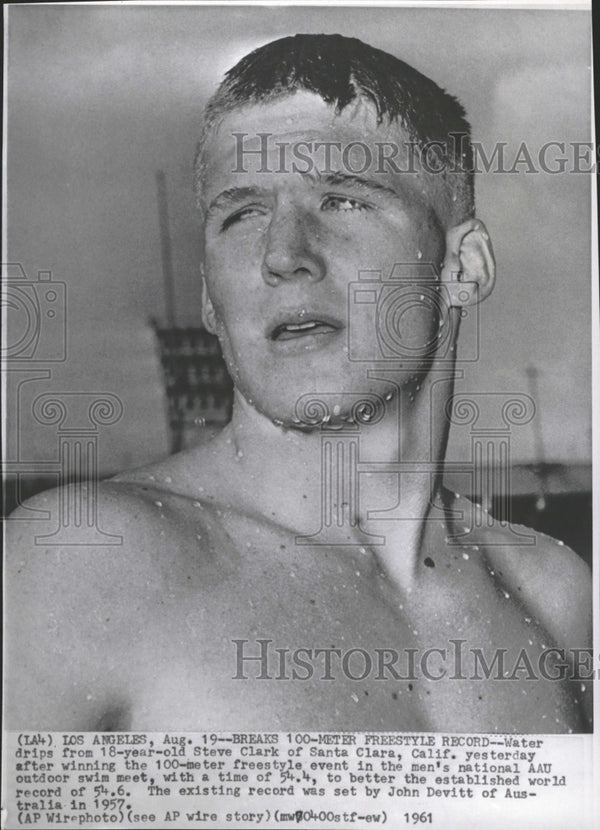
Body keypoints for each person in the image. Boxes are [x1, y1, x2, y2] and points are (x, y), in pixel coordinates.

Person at [5, 34, 591, 733]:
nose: (282, 255)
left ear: (462, 266)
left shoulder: (556, 598)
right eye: (242, 213)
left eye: (342, 200)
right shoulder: (84, 565)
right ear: (207, 299)